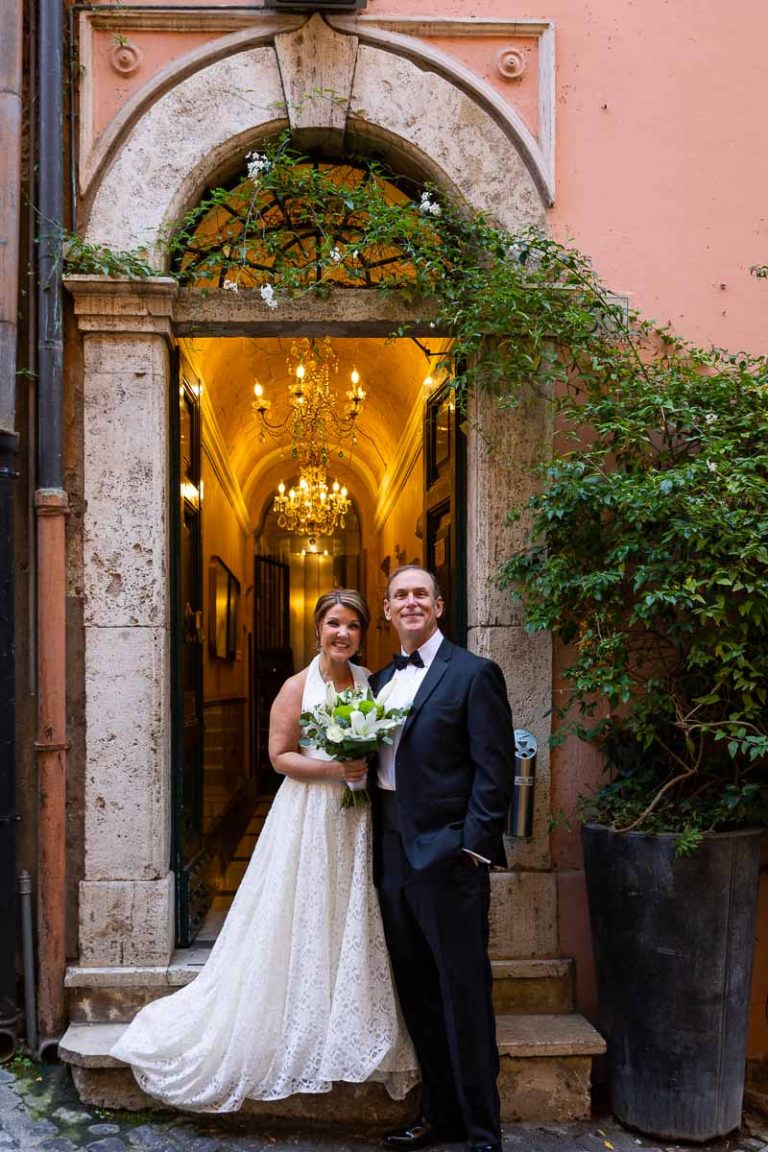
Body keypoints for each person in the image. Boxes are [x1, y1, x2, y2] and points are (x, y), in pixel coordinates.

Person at [111, 589, 417, 1111]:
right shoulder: (297, 686)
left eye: (352, 626)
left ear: (364, 634)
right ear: (318, 628)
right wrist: (334, 769)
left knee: (350, 912)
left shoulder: (371, 681)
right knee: (306, 911)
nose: (342, 633)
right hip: (309, 814)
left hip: (358, 818)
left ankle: (345, 1017)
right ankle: (299, 1019)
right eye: (334, 623)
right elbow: (279, 757)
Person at [370, 566, 515, 1152]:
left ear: (438, 606)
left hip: (449, 857)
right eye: (400, 595)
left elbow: (494, 771)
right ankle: (439, 1115)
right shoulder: (380, 681)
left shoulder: (474, 674)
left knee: (463, 993)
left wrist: (471, 850)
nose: (410, 602)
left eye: (420, 594)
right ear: (387, 610)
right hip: (392, 855)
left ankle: (482, 1132)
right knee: (418, 993)